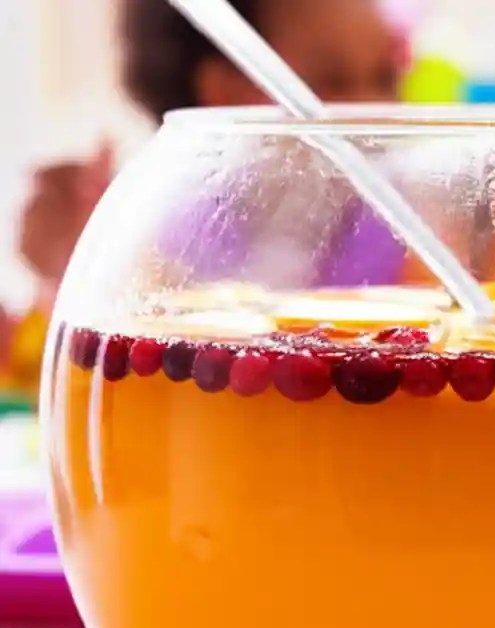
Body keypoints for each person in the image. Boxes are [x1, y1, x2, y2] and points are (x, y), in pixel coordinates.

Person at [3, 0, 404, 384]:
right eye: (332, 81)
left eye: (387, 77)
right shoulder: (169, 234)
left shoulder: (410, 229)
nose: (375, 106)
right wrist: (66, 272)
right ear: (224, 91)